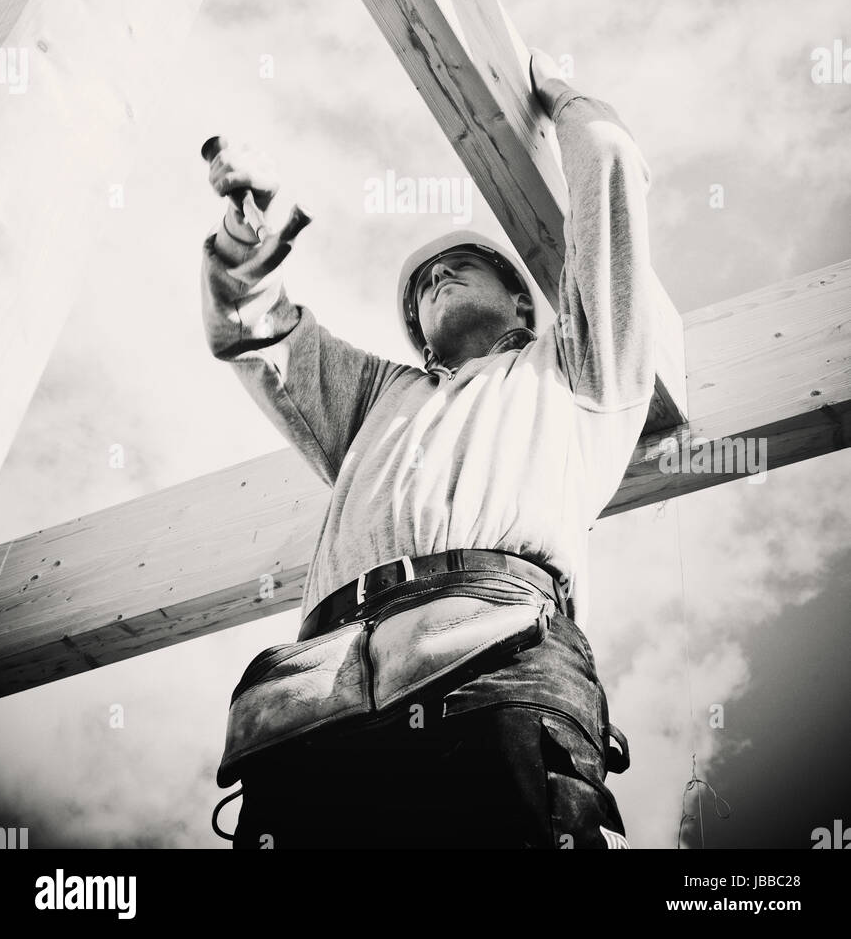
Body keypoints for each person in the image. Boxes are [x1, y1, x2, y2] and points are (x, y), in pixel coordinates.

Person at [202, 48, 654, 850]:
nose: (436, 279)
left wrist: (562, 98)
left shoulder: (581, 367)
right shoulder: (381, 398)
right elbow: (257, 332)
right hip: (318, 700)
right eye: (423, 285)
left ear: (522, 297)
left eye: (460, 267)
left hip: (496, 663)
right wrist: (246, 240)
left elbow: (611, 182)